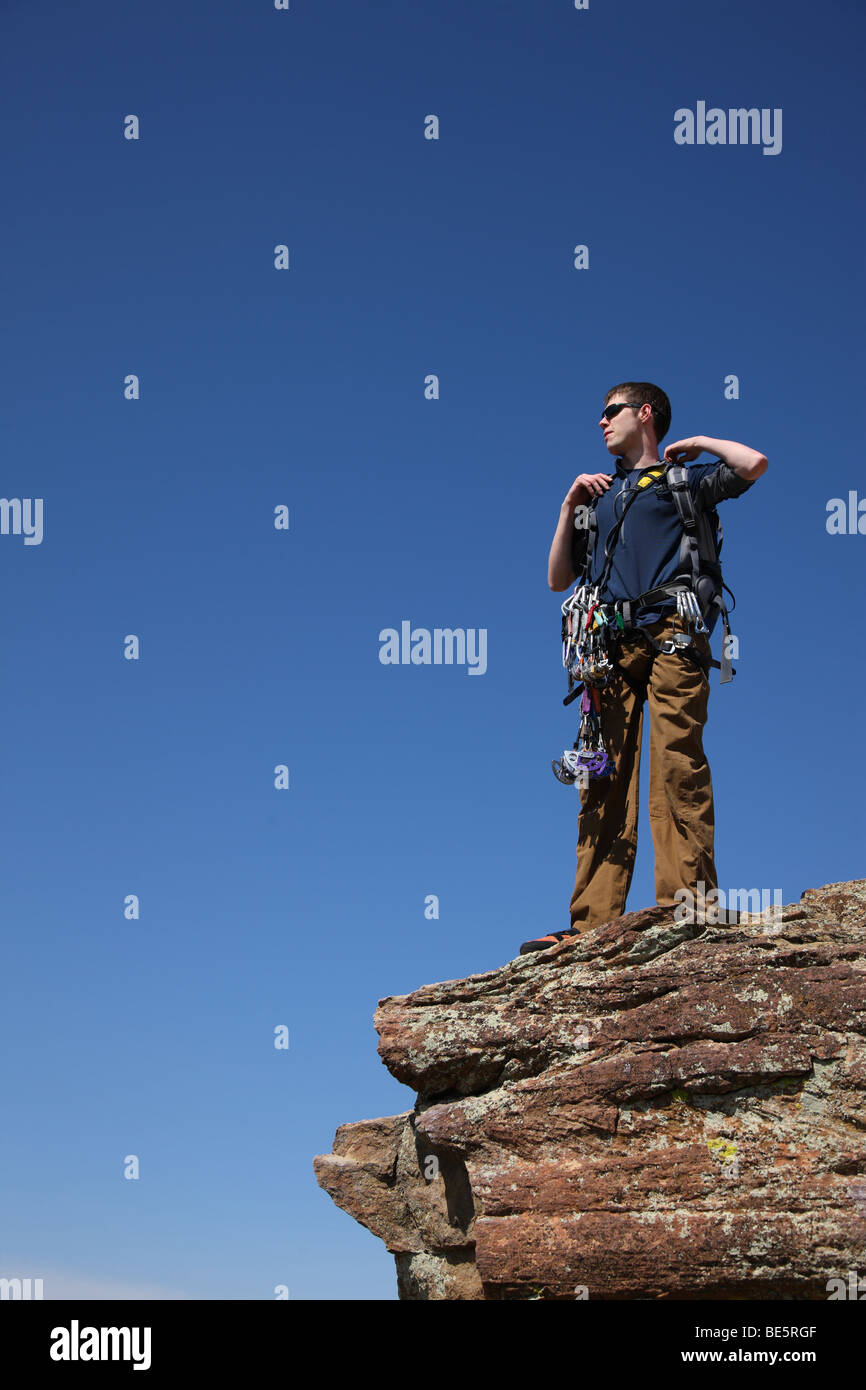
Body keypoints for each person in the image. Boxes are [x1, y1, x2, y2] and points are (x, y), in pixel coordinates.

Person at [520, 382, 768, 955]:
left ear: (645, 414)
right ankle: (590, 925)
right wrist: (569, 507)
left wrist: (699, 442)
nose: (601, 422)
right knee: (601, 775)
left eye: (612, 411)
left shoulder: (684, 481)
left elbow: (753, 464)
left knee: (677, 760)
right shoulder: (598, 495)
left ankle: (690, 906)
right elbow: (559, 579)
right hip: (609, 647)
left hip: (674, 633)